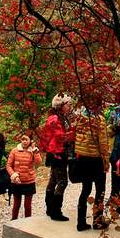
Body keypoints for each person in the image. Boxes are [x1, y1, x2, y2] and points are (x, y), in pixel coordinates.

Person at [74, 107, 110, 231]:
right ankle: (98, 221)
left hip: (83, 158)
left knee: (85, 190)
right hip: (96, 159)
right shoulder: (99, 119)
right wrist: (106, 160)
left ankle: (81, 222)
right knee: (100, 190)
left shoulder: (79, 118)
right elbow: (103, 142)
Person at [42, 93, 75, 222]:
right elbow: (60, 137)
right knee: (62, 182)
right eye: (67, 104)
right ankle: (56, 211)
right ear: (60, 105)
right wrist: (73, 133)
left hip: (58, 152)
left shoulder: (59, 117)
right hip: (58, 153)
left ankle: (50, 208)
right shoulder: (55, 119)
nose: (69, 106)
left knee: (53, 180)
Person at [6, 132, 42, 220]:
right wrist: (14, 175)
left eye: (26, 139)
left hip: (29, 181)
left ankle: (28, 223)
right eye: (23, 139)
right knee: (16, 204)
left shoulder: (33, 151)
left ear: (30, 141)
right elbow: (8, 165)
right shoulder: (15, 151)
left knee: (27, 206)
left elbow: (39, 162)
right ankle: (14, 221)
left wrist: (34, 149)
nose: (24, 141)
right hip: (17, 181)